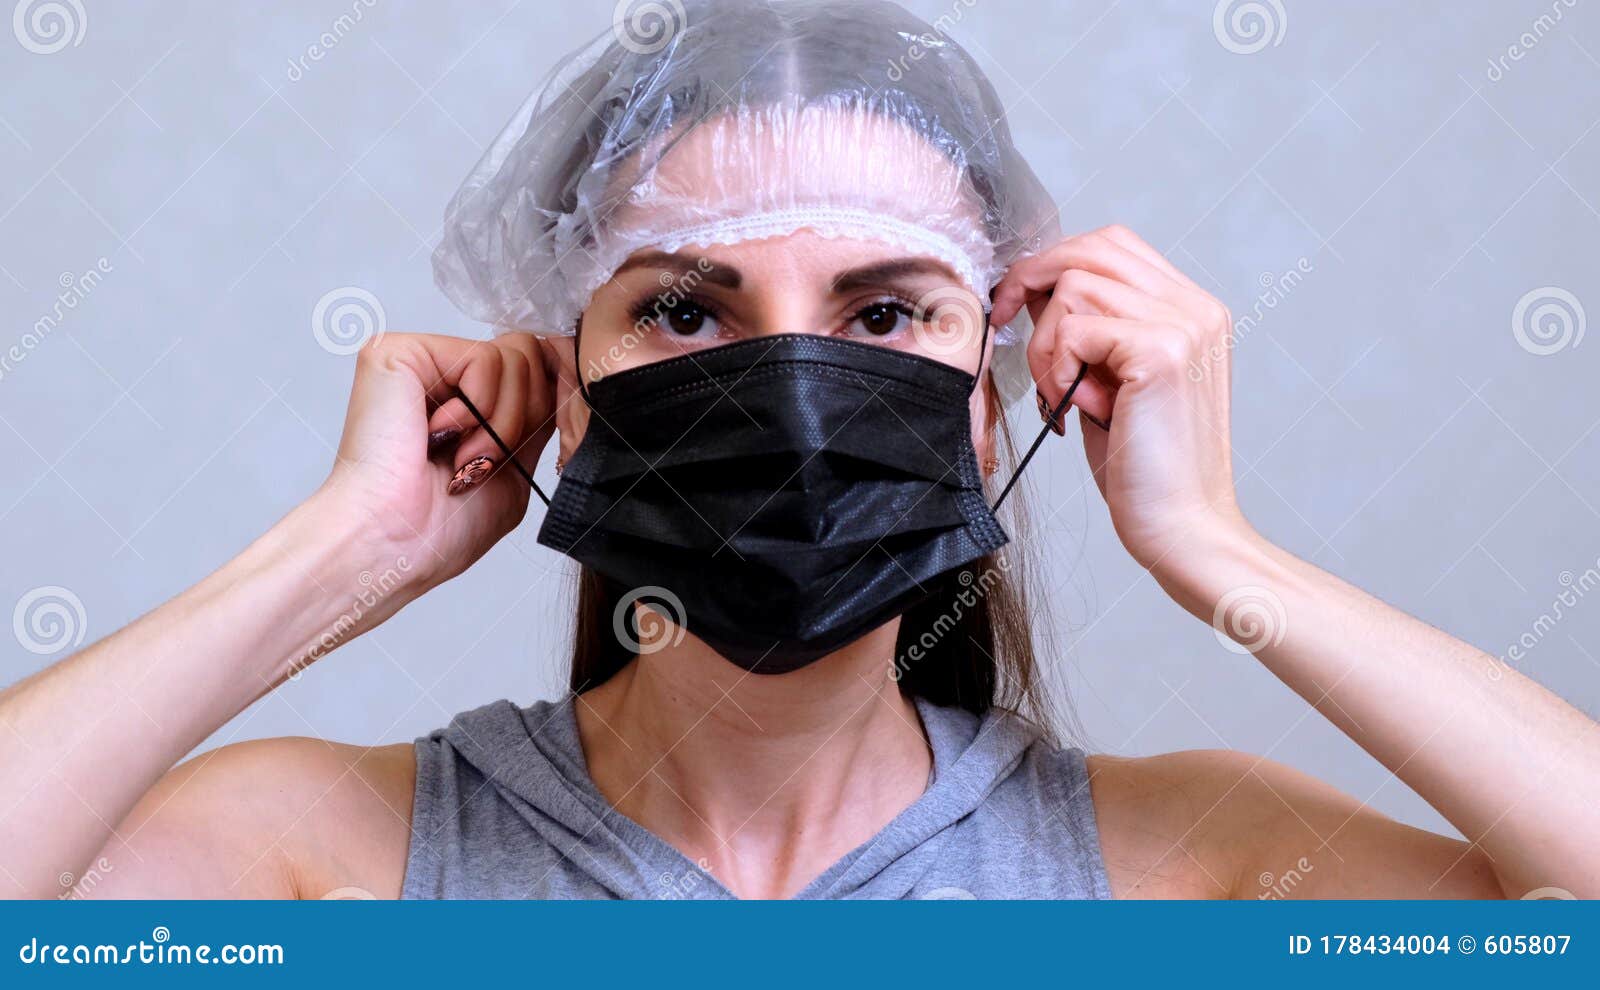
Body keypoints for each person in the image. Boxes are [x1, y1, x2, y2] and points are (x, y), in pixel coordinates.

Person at [3, 0, 1596, 900]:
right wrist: (340, 556)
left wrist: (1219, 552)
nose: (793, 384)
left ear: (992, 396)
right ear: (569, 388)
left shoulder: (1179, 868)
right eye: (685, 311)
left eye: (885, 313)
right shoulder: (332, 859)